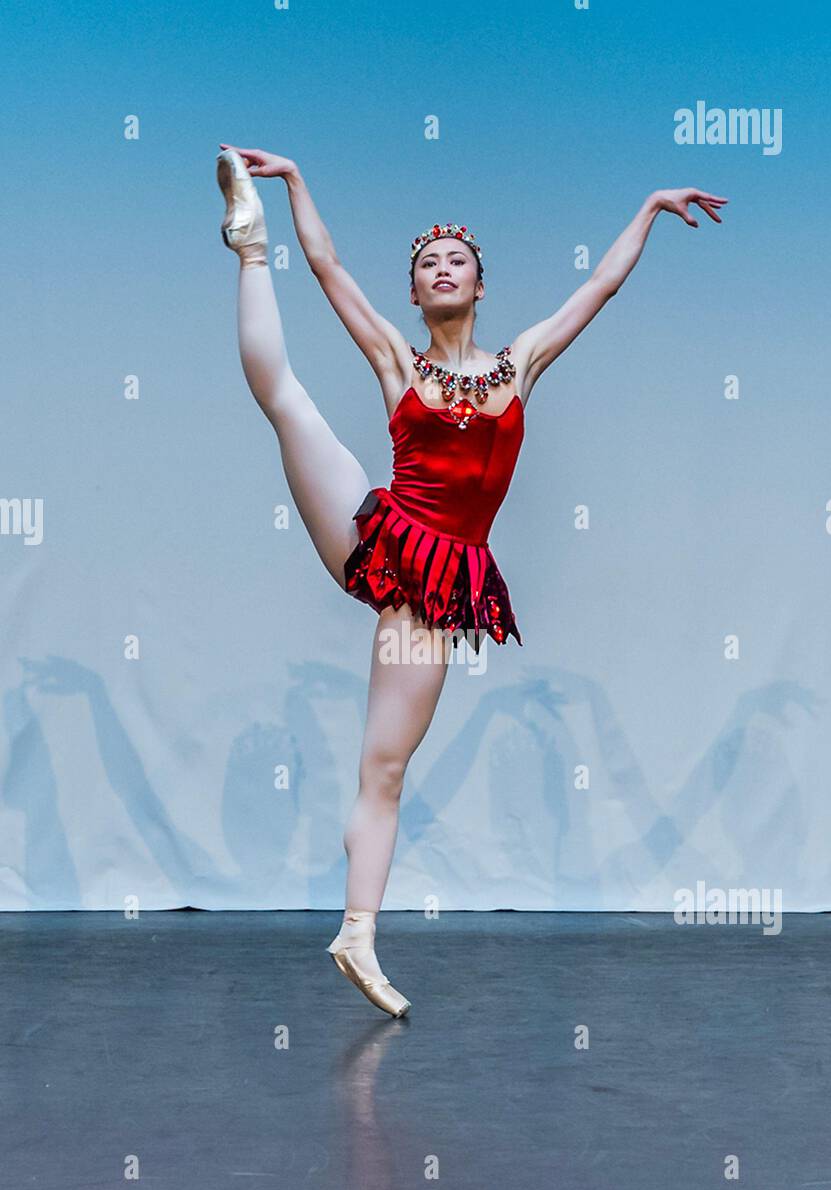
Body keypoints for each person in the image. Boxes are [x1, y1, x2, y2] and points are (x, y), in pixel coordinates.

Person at [216, 144, 727, 1017]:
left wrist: (646, 206)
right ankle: (249, 245)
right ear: (413, 294)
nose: (442, 269)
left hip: (435, 584)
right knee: (288, 403)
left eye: (456, 261)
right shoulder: (395, 359)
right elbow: (332, 266)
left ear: (479, 285)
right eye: (426, 264)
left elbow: (596, 289)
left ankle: (356, 933)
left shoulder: (520, 361)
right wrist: (297, 182)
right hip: (374, 531)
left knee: (384, 766)